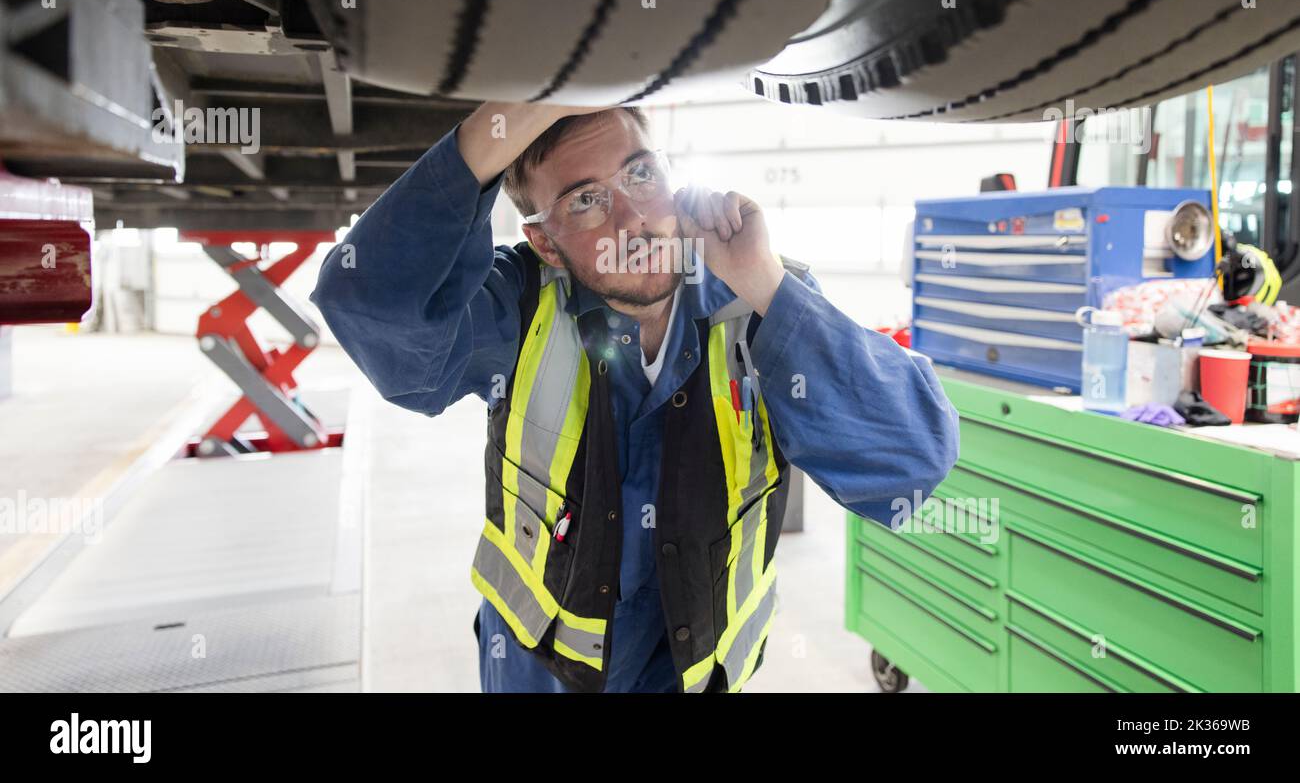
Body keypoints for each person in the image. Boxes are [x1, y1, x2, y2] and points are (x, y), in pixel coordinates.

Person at [310, 101, 960, 693]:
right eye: (587, 199)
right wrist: (503, 121)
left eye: (642, 175)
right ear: (544, 241)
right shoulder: (522, 306)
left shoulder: (757, 297)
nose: (634, 222)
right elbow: (375, 313)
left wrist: (762, 281)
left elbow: (909, 458)